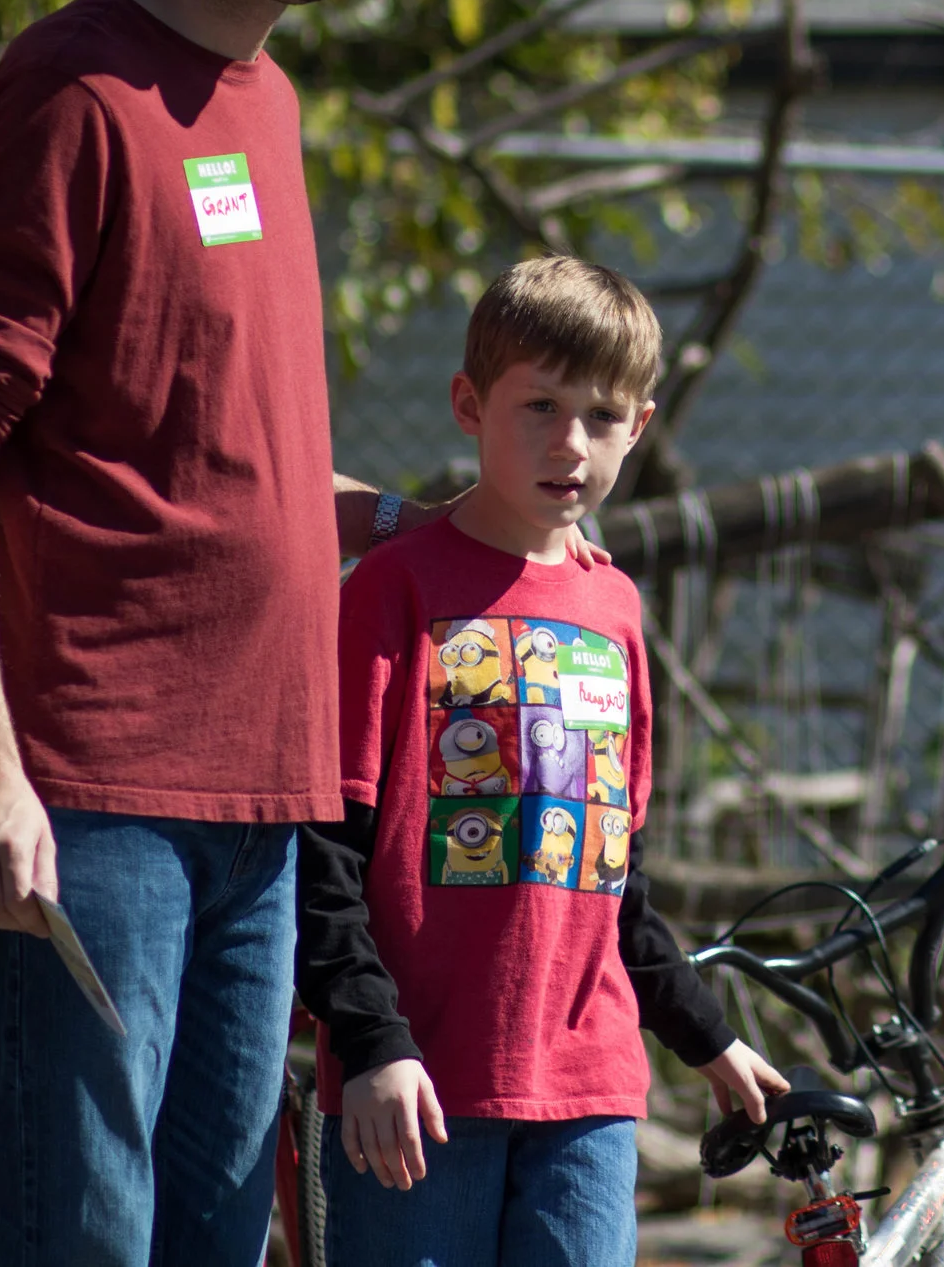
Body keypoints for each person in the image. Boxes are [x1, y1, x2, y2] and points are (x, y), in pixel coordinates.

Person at [0, 0, 545, 1262]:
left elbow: (200, 458)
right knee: (82, 1240)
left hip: (263, 803)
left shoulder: (268, 100)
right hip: (86, 800)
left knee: (215, 1244)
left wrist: (411, 523)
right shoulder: (71, 90)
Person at [296, 255, 788, 1266]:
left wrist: (708, 1035)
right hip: (419, 1088)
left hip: (587, 1091)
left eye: (603, 415)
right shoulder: (391, 591)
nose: (571, 442)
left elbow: (616, 871)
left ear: (640, 426)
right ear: (470, 405)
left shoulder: (615, 608)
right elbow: (322, 850)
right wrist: (373, 1043)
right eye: (540, 405)